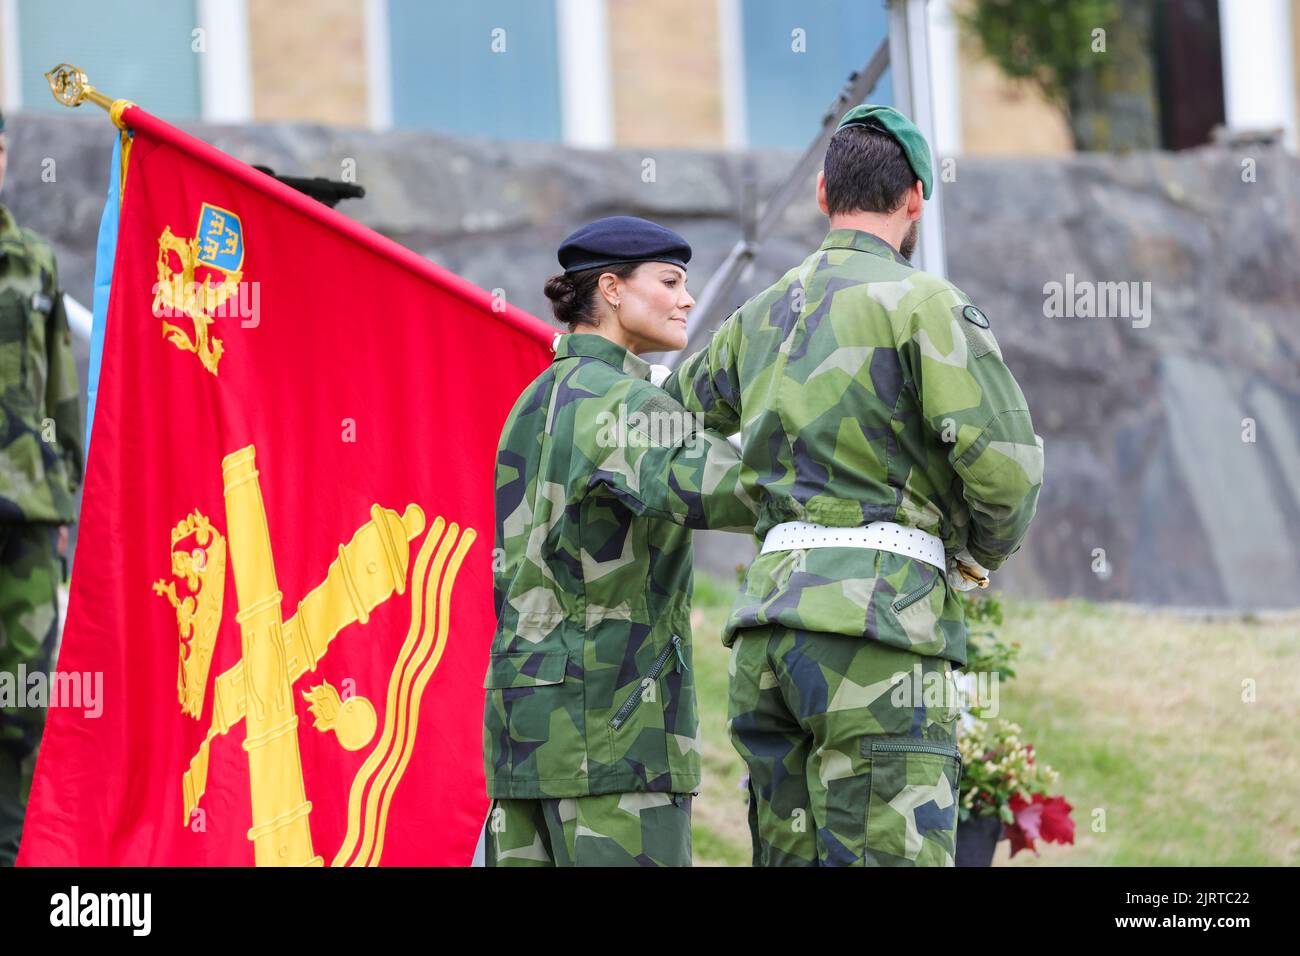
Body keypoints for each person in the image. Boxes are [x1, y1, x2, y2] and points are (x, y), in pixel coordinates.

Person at [663, 105, 1044, 866]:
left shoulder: (760, 313)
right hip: (879, 636)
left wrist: (768, 510)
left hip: (769, 634)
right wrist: (973, 558)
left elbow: (669, 425)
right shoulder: (927, 305)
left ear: (821, 192)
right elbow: (1006, 469)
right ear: (915, 201)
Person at [484, 216, 757, 866]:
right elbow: (740, 490)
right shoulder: (624, 403)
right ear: (610, 287)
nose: (685, 298)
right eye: (669, 281)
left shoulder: (529, 403)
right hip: (614, 735)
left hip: (522, 733)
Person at [0, 109, 85, 866]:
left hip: (27, 512)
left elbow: (61, 387)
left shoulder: (31, 260)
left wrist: (70, 486)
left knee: (24, 698)